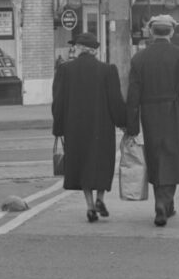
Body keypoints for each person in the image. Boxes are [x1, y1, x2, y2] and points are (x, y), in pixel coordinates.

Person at [125, 15, 179, 227]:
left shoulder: (139, 59)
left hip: (149, 113)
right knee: (172, 156)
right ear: (171, 32)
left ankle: (161, 202)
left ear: (151, 32)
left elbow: (133, 96)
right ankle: (166, 202)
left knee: (155, 156)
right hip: (173, 111)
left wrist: (132, 126)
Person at [51, 32, 127, 223]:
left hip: (75, 127)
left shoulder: (65, 70)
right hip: (102, 127)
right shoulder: (108, 70)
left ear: (79, 48)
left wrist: (58, 127)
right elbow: (116, 101)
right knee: (102, 162)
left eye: (74, 46)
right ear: (94, 51)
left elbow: (58, 102)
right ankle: (101, 198)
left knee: (81, 163)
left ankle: (90, 205)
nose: (73, 49)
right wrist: (123, 123)